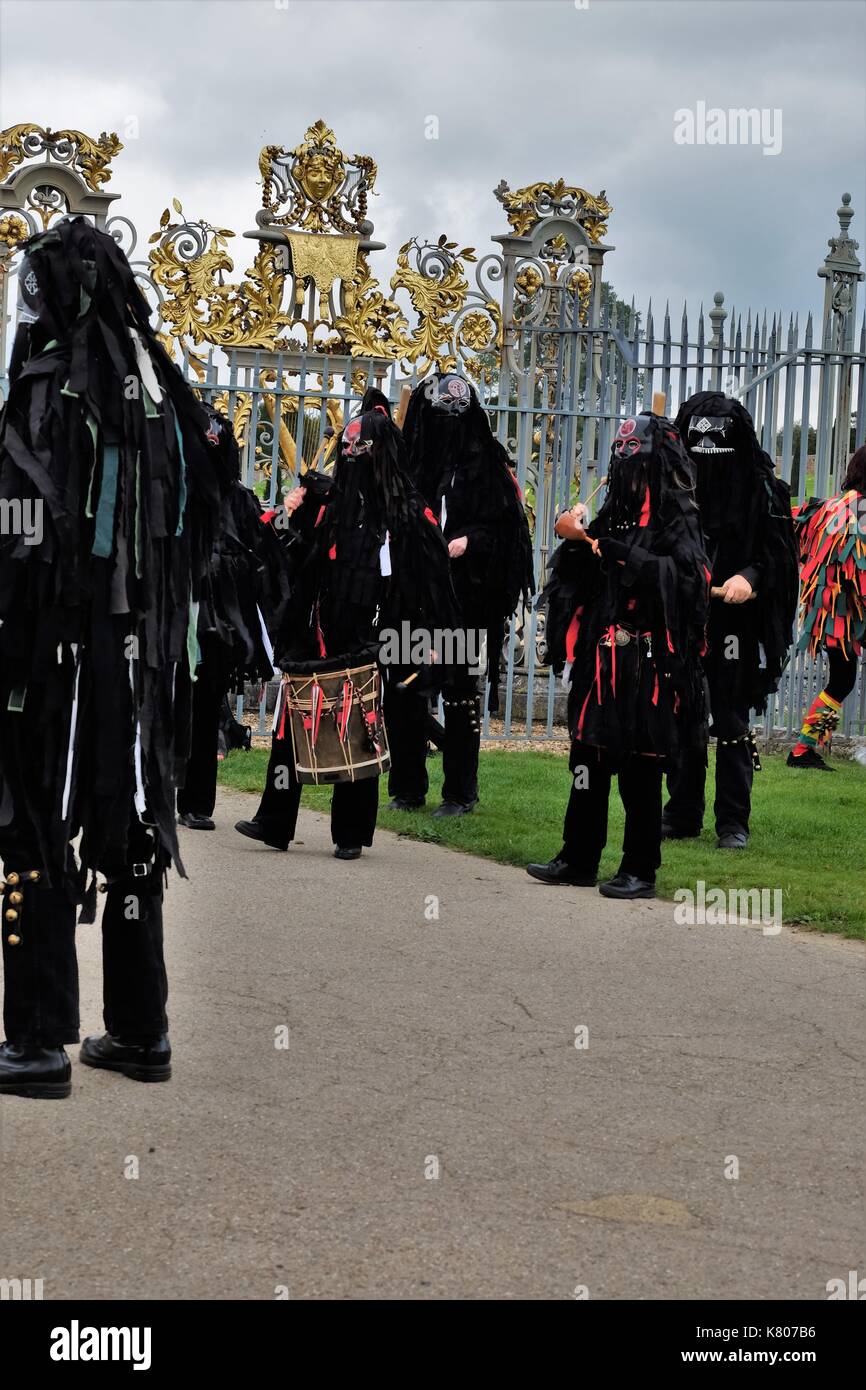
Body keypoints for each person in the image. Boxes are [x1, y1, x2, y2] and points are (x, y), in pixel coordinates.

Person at [0, 217, 220, 1097]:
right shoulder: (160, 394)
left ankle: (38, 1042)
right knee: (126, 816)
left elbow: (23, 533)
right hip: (135, 660)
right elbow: (209, 519)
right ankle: (139, 1030)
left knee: (35, 821)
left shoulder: (52, 386)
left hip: (50, 657)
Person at [234, 390, 457, 858]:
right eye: (347, 448)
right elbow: (291, 555)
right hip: (318, 630)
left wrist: (423, 642)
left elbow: (429, 582)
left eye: (361, 448)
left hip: (369, 638)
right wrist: (292, 516)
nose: (352, 455)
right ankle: (275, 821)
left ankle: (351, 834)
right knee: (292, 723)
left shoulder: (406, 514)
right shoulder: (328, 503)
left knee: (360, 728)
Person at [527, 412, 710, 899]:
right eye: (620, 453)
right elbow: (581, 580)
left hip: (649, 665)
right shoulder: (612, 513)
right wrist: (577, 540)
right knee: (587, 758)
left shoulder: (679, 517)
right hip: (601, 659)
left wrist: (623, 554)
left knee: (641, 767)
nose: (626, 464)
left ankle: (640, 868)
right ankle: (578, 857)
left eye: (635, 454)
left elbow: (690, 583)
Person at [387, 373, 534, 815]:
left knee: (461, 694)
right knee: (404, 689)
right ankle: (408, 787)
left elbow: (510, 535)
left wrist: (469, 541)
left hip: (467, 603)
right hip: (412, 599)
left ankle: (460, 792)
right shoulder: (408, 465)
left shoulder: (489, 467)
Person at [662, 393, 798, 848]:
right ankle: (681, 812)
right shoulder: (670, 489)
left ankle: (732, 822)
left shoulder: (763, 492)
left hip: (735, 620)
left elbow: (778, 557)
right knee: (682, 711)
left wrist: (749, 575)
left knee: (731, 715)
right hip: (683, 615)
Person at [176, 407, 289, 829]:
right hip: (174, 615)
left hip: (219, 625)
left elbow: (265, 557)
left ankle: (196, 801)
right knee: (165, 704)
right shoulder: (171, 491)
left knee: (206, 709)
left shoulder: (240, 500)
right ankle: (148, 796)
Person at [787, 443, 866, 769]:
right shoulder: (861, 511)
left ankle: (804, 749)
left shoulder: (828, 508)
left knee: (842, 681)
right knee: (842, 681)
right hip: (849, 614)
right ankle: (803, 750)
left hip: (828, 614)